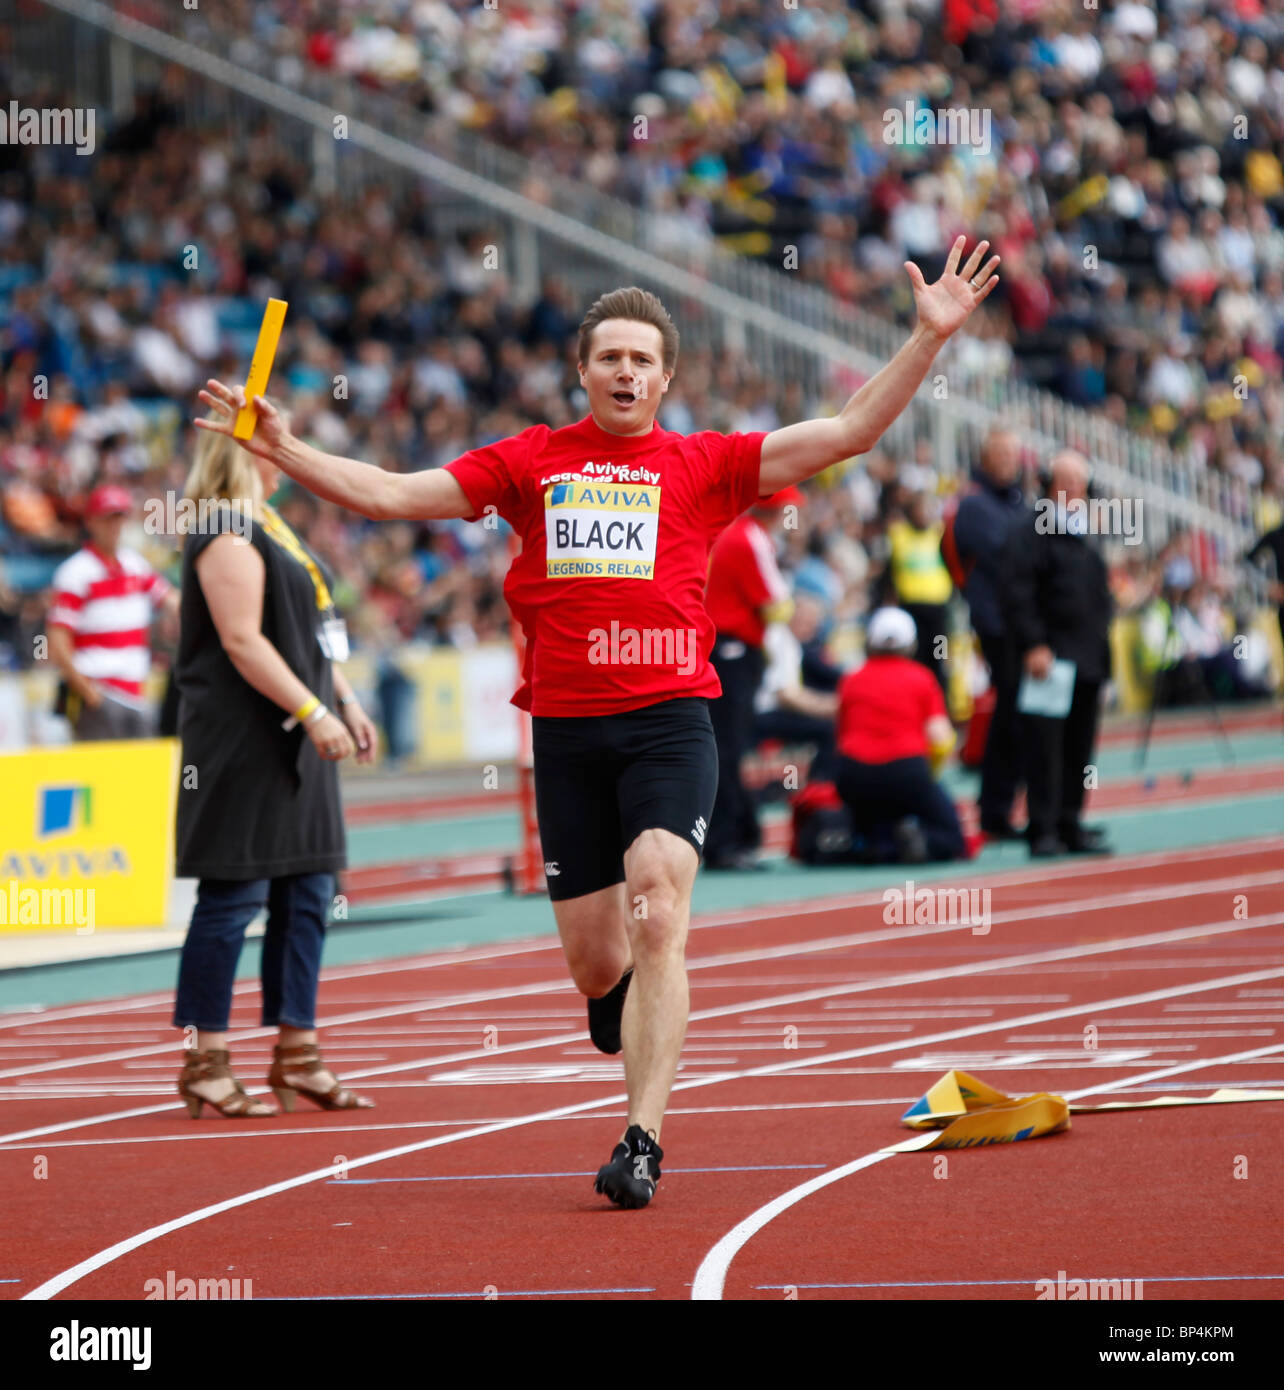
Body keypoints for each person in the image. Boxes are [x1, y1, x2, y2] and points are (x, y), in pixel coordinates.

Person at [193, 236, 1001, 1206]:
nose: (626, 370)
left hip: (672, 718)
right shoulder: (531, 460)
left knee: (660, 902)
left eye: (643, 358)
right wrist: (285, 448)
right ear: (583, 372)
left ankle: (643, 1139)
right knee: (596, 959)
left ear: (666, 378)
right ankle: (617, 999)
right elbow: (395, 494)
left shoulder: (708, 464)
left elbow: (847, 432)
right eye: (609, 355)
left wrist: (926, 340)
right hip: (569, 734)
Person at [172, 423, 379, 1119]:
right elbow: (241, 639)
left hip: (299, 735)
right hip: (244, 743)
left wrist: (344, 703)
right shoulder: (227, 528)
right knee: (233, 897)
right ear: (246, 452)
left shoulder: (274, 527)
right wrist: (314, 712)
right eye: (275, 440)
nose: (288, 450)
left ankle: (299, 1052)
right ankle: (205, 1059)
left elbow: (312, 638)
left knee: (308, 892)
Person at [1000, 450, 1112, 858]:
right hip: (1050, 657)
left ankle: (1070, 821)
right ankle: (1042, 827)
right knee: (1045, 746)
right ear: (1047, 486)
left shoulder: (1085, 533)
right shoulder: (1029, 533)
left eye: (1079, 484)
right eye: (1064, 483)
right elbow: (1017, 592)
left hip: (1086, 658)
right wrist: (1033, 644)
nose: (1073, 491)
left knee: (1080, 747)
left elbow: (1098, 599)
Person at [703, 488, 796, 869]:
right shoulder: (751, 539)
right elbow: (776, 605)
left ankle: (729, 835)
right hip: (734, 652)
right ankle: (728, 840)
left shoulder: (730, 533)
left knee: (723, 747)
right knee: (729, 749)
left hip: (721, 649)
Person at [46, 483, 180, 739]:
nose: (115, 526)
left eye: (119, 518)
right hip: (100, 692)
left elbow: (170, 598)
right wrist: (88, 692)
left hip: (135, 693)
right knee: (99, 774)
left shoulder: (134, 565)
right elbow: (58, 639)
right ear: (92, 522)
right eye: (108, 519)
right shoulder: (76, 573)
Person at [833, 607, 965, 863]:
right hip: (906, 771)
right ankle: (917, 841)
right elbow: (941, 737)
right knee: (952, 838)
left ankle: (878, 843)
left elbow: (841, 733)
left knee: (873, 820)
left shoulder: (851, 679)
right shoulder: (922, 678)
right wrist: (929, 773)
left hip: (855, 774)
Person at [950, 428, 1032, 838]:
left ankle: (1006, 808)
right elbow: (1013, 555)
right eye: (1000, 453)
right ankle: (996, 810)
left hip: (1021, 621)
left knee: (1018, 715)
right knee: (1012, 715)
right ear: (985, 457)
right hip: (999, 623)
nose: (1008, 461)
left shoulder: (1016, 502)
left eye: (1012, 453)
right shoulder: (975, 505)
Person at [753, 593, 840, 783]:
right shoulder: (780, 639)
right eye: (809, 620)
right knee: (830, 729)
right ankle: (818, 790)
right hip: (763, 714)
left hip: (770, 711)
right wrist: (830, 707)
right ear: (795, 615)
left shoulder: (788, 641)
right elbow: (787, 696)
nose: (814, 627)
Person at [886, 488, 953, 692]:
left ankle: (942, 707)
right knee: (913, 660)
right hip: (910, 608)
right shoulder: (898, 534)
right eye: (919, 509)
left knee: (939, 660)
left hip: (939, 609)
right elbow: (888, 571)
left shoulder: (941, 533)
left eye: (928, 509)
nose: (924, 514)